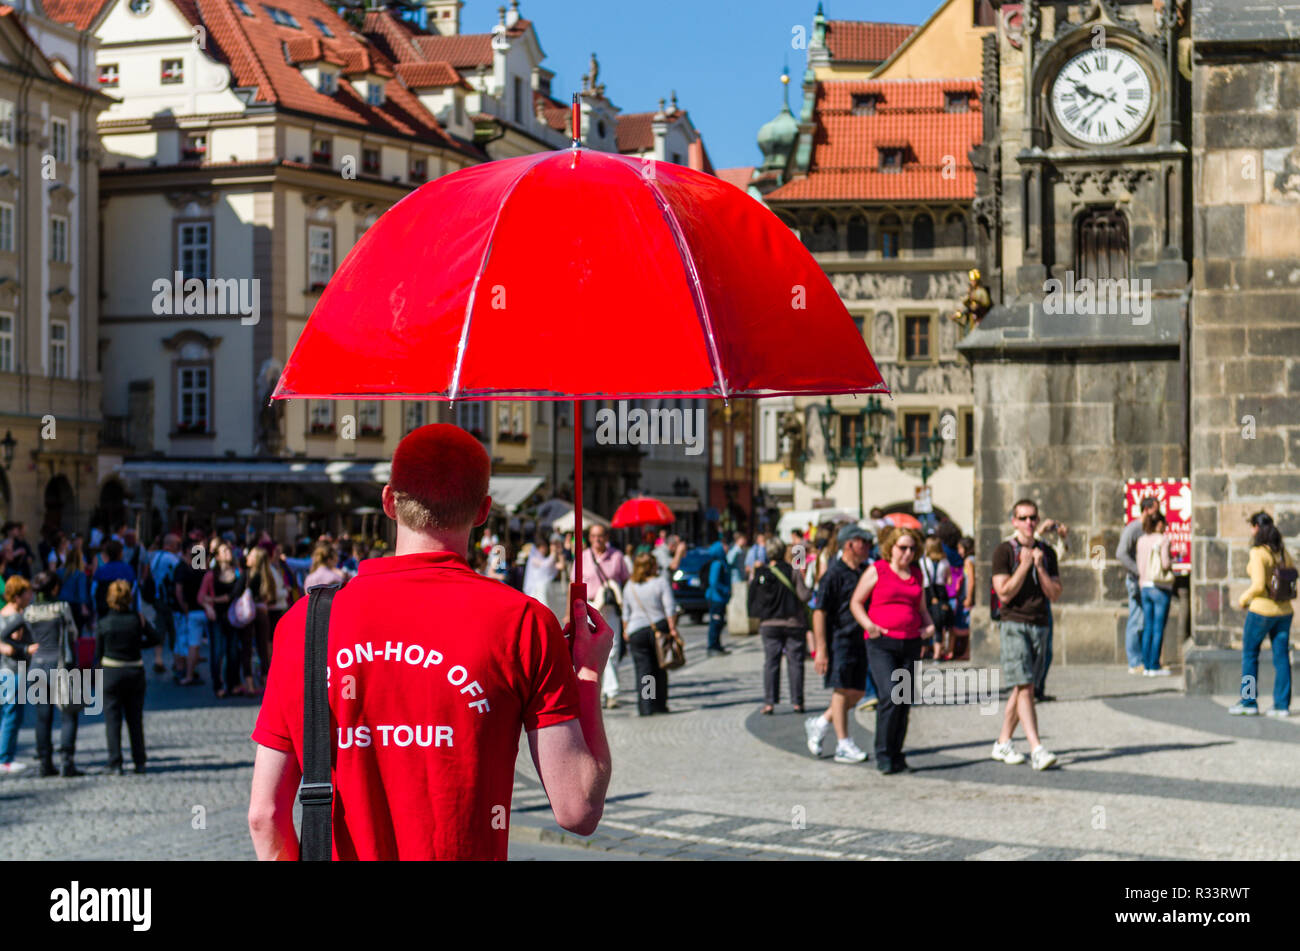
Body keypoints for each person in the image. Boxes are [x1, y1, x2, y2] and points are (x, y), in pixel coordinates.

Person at [247, 424, 613, 860]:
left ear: (389, 502)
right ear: (483, 511)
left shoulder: (306, 623)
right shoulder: (523, 623)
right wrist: (588, 672)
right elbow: (578, 809)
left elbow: (264, 814)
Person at [851, 525, 934, 774]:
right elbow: (855, 602)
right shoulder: (877, 570)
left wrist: (929, 628)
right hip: (881, 643)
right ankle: (884, 754)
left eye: (911, 548)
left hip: (910, 642)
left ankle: (897, 754)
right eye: (902, 548)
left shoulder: (916, 574)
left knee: (904, 699)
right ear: (891, 548)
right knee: (889, 695)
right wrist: (869, 625)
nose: (907, 553)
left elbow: (922, 609)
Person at [990, 499, 1060, 770]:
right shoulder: (1003, 551)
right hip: (1014, 624)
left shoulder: (1048, 553)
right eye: (1023, 518)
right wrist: (1023, 565)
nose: (1029, 523)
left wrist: (1039, 567)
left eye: (1033, 518)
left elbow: (1054, 592)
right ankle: (1036, 748)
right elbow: (1004, 592)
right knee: (1026, 686)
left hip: (1040, 624)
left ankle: (1003, 742)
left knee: (1022, 688)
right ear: (1014, 522)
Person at [805, 525, 875, 764]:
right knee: (841, 688)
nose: (867, 547)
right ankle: (843, 744)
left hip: (860, 639)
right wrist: (821, 649)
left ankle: (822, 722)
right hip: (839, 640)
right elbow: (819, 611)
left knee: (858, 692)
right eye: (863, 542)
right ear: (849, 545)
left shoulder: (865, 570)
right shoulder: (833, 574)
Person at [1230, 512, 1294, 717]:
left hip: (1261, 610)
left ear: (1257, 528)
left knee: (1249, 655)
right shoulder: (1282, 552)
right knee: (1281, 657)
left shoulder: (1258, 553)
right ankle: (1282, 705)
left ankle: (1249, 701)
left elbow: (1258, 585)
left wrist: (1243, 599)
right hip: (1284, 611)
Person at [24, 571, 83, 776]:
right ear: (55, 588)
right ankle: (67, 761)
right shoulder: (62, 607)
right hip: (60, 665)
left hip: (37, 665)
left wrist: (25, 649)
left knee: (42, 717)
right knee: (68, 714)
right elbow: (73, 633)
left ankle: (44, 763)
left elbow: (14, 633)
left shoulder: (29, 611)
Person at [749, 539, 810, 715]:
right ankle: (798, 702)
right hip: (793, 622)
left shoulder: (760, 573)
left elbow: (753, 594)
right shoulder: (793, 571)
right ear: (784, 551)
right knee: (796, 662)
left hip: (769, 624)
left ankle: (769, 702)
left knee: (771, 662)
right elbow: (804, 595)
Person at [96, 578, 151, 774]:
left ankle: (116, 762)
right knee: (135, 719)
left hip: (111, 671)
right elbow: (155, 638)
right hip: (134, 670)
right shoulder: (137, 619)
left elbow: (98, 653)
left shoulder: (103, 622)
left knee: (113, 720)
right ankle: (140, 761)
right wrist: (137, 643)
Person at [573, 524, 629, 708]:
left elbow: (626, 581)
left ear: (606, 537)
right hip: (589, 607)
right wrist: (569, 614)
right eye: (594, 536)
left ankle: (611, 693)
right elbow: (572, 585)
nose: (597, 539)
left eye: (600, 536)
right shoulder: (582, 558)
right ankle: (592, 691)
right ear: (589, 538)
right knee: (589, 652)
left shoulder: (617, 556)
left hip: (610, 609)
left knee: (612, 651)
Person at [621, 552, 679, 716]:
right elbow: (670, 607)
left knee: (643, 670)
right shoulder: (660, 582)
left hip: (636, 631)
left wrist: (625, 630)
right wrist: (672, 628)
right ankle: (659, 704)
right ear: (651, 566)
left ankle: (645, 706)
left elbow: (625, 612)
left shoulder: (629, 586)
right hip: (658, 628)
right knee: (660, 668)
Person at [0, 576, 39, 772]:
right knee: (12, 715)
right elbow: (7, 648)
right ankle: (5, 758)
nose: (30, 596)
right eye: (27, 593)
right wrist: (26, 649)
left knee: (6, 714)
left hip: (5, 670)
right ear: (17, 597)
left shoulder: (2, 614)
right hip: (13, 670)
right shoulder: (16, 618)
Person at [1116, 496, 1159, 674]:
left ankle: (1143, 658)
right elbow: (1121, 553)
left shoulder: (1147, 529)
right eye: (1156, 510)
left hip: (1147, 581)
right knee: (1136, 619)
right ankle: (1134, 661)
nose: (1158, 514)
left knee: (1144, 619)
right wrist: (1138, 570)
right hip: (1136, 580)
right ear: (1147, 509)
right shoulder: (1134, 528)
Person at [200, 541, 246, 698]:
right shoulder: (210, 575)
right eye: (224, 551)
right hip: (217, 618)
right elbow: (200, 597)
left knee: (233, 652)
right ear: (218, 556)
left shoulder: (238, 572)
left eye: (229, 550)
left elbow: (234, 594)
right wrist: (208, 606)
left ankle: (233, 683)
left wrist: (214, 599)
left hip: (234, 618)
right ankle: (218, 685)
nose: (228, 553)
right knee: (217, 652)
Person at [1135, 509, 1174, 678]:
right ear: (1159, 524)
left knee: (1148, 627)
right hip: (1159, 586)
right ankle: (1154, 665)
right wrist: (1176, 559)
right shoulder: (1162, 539)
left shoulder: (1141, 540)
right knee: (1158, 628)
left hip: (1144, 586)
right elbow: (1165, 564)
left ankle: (1146, 664)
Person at [172, 531, 207, 687]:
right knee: (183, 639)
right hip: (185, 610)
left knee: (190, 641)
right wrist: (184, 607)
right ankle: (181, 668)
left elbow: (202, 579)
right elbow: (178, 590)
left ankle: (187, 668)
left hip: (194, 608)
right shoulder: (181, 566)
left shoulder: (196, 564)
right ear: (187, 550)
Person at [145, 534, 181, 675]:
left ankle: (158, 660)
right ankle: (175, 661)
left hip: (157, 598)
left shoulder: (155, 556)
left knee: (160, 628)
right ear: (172, 545)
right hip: (170, 600)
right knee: (173, 629)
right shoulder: (172, 559)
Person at [245, 546, 276, 691]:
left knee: (247, 648)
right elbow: (272, 597)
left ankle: (250, 683)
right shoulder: (268, 575)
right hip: (264, 612)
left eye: (250, 555)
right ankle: (265, 681)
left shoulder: (250, 576)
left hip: (249, 612)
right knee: (263, 648)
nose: (247, 558)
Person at [919, 536, 952, 661]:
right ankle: (937, 654)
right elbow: (949, 581)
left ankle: (922, 651)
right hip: (941, 593)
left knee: (924, 621)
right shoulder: (945, 562)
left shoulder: (923, 562)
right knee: (939, 623)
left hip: (926, 592)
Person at [91, 540, 136, 623]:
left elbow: (93, 592)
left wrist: (95, 611)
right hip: (124, 612)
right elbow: (134, 592)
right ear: (120, 553)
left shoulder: (101, 571)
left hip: (104, 612)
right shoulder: (129, 570)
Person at [704, 538, 731, 656]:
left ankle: (717, 645)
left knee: (719, 623)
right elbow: (714, 582)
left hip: (720, 598)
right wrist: (726, 590)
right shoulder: (717, 564)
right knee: (715, 622)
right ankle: (712, 646)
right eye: (725, 546)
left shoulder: (722, 562)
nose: (727, 548)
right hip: (716, 598)